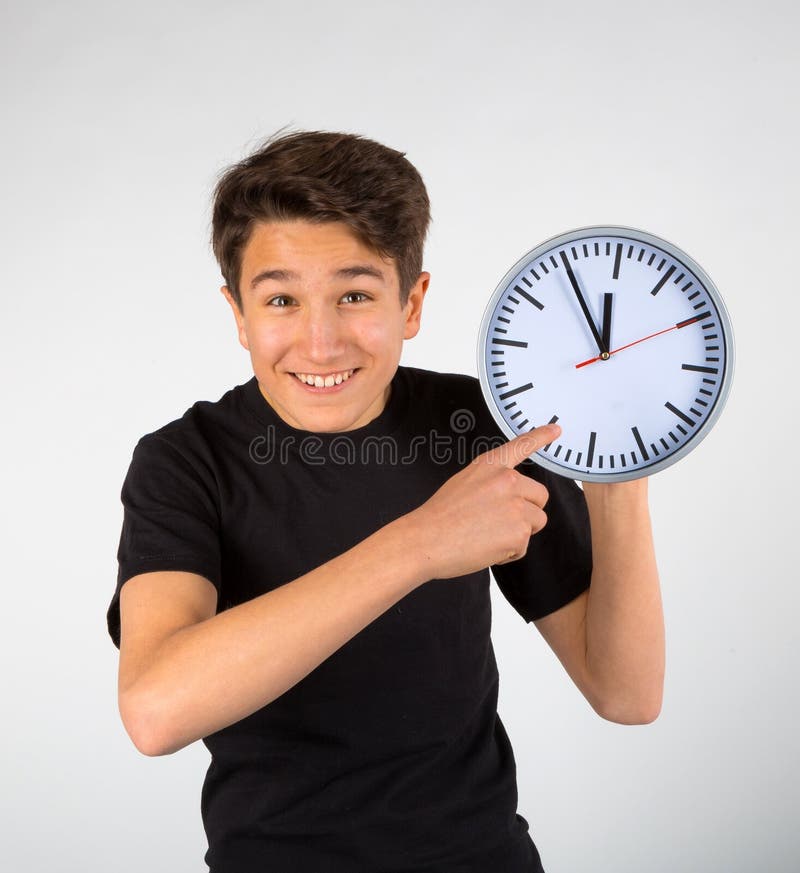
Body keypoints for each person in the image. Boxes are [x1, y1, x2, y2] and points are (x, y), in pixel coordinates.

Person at [107, 130, 664, 873]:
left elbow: (626, 692)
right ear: (238, 312)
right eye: (280, 299)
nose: (320, 340)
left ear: (412, 301)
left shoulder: (474, 428)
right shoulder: (184, 462)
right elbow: (154, 710)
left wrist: (621, 463)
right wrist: (420, 544)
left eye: (356, 295)